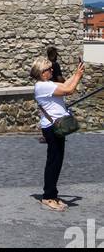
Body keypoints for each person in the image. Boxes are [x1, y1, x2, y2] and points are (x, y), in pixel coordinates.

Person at [31, 55, 85, 212]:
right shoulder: (42, 86)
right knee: (53, 161)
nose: (52, 70)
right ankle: (48, 196)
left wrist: (76, 73)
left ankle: (53, 195)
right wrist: (79, 76)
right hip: (52, 128)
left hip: (55, 127)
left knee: (57, 160)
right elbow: (68, 90)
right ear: (42, 72)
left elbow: (65, 84)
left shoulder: (46, 84)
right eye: (49, 69)